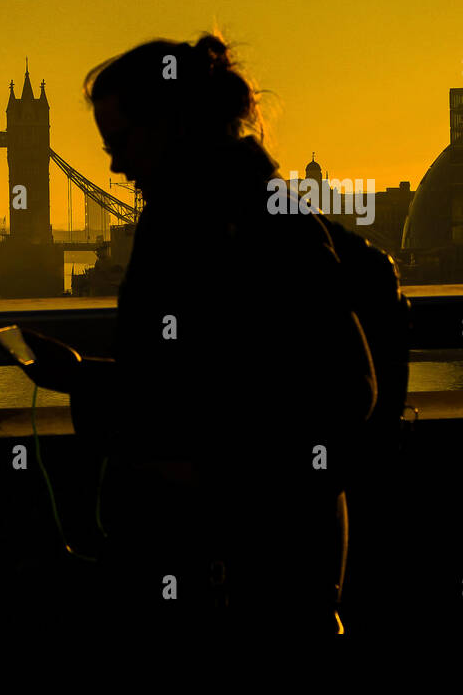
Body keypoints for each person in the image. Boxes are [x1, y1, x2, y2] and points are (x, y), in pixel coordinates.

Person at [23, 33, 376, 635]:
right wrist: (84, 376)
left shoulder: (252, 225)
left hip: (243, 573)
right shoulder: (203, 216)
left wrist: (200, 470)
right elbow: (200, 381)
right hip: (230, 559)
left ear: (170, 126)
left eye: (120, 142)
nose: (112, 165)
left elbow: (340, 392)